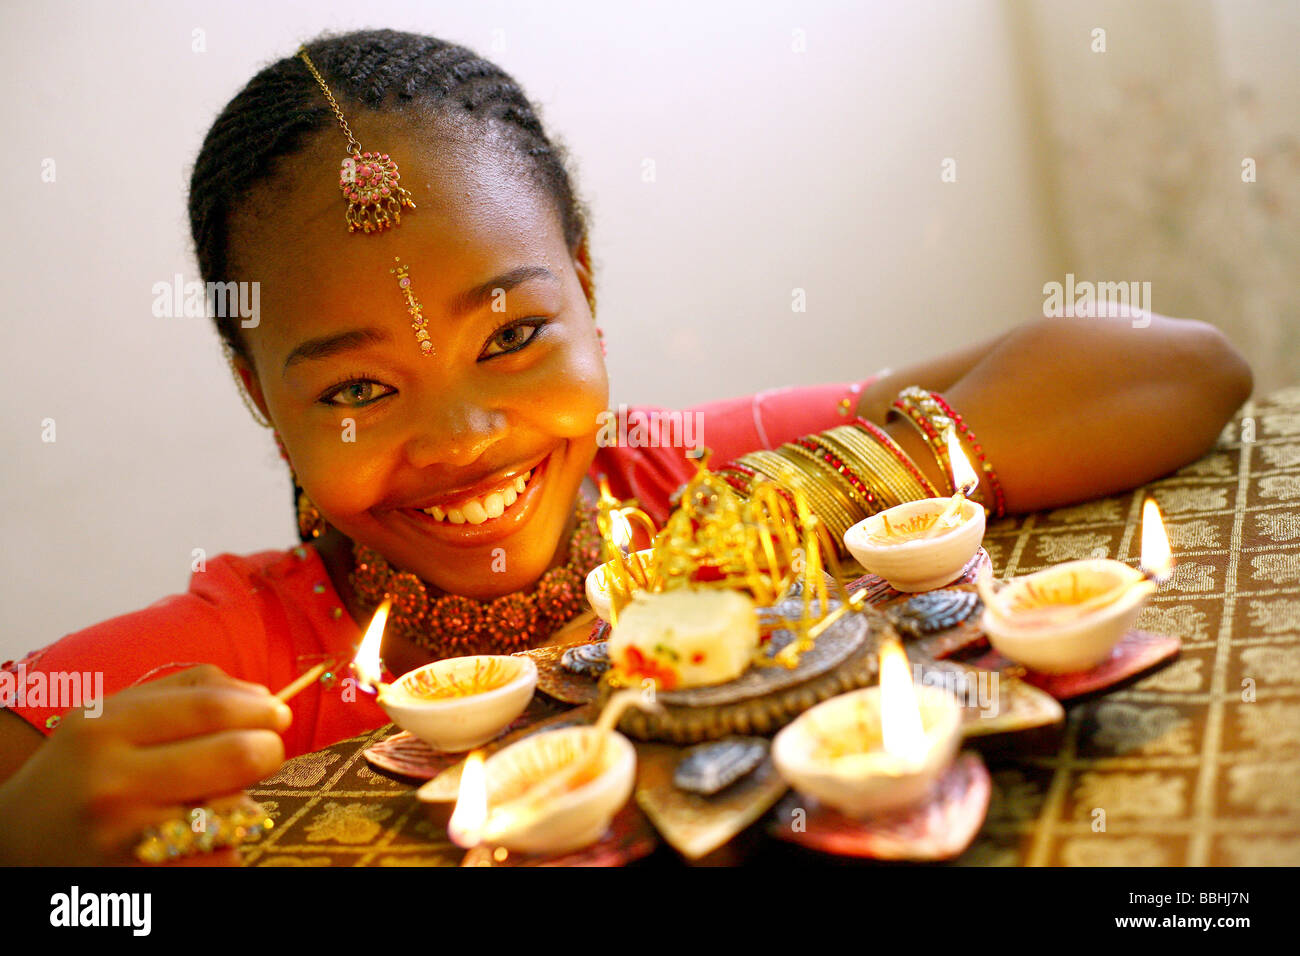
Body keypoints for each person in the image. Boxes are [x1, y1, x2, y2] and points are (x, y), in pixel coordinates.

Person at [0, 29, 1252, 865]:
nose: (463, 438)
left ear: (587, 290)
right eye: (364, 386)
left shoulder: (689, 485)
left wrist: (794, 495)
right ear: (256, 394)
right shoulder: (238, 660)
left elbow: (1176, 365)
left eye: (514, 336)